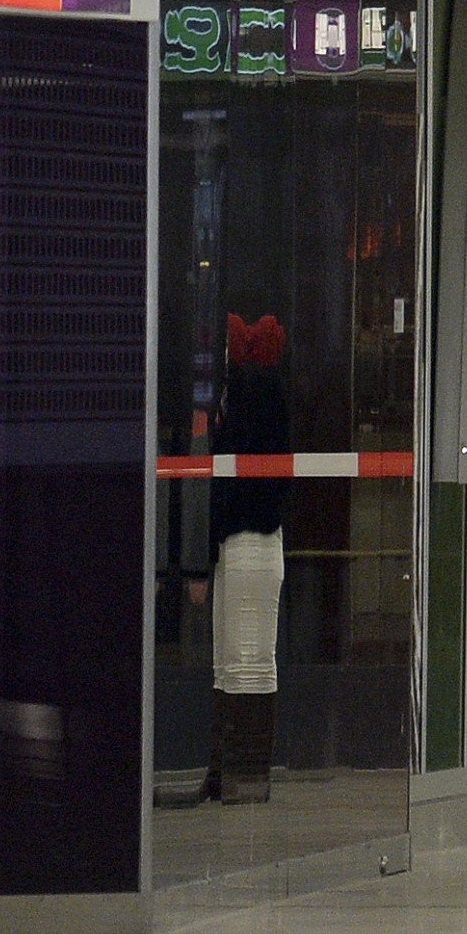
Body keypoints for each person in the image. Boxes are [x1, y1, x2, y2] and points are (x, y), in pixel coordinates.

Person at [198, 313, 289, 805]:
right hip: (256, 539)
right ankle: (235, 773)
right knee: (242, 663)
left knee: (239, 663)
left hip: (242, 538)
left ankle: (238, 774)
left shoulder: (247, 394)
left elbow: (230, 478)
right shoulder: (267, 392)